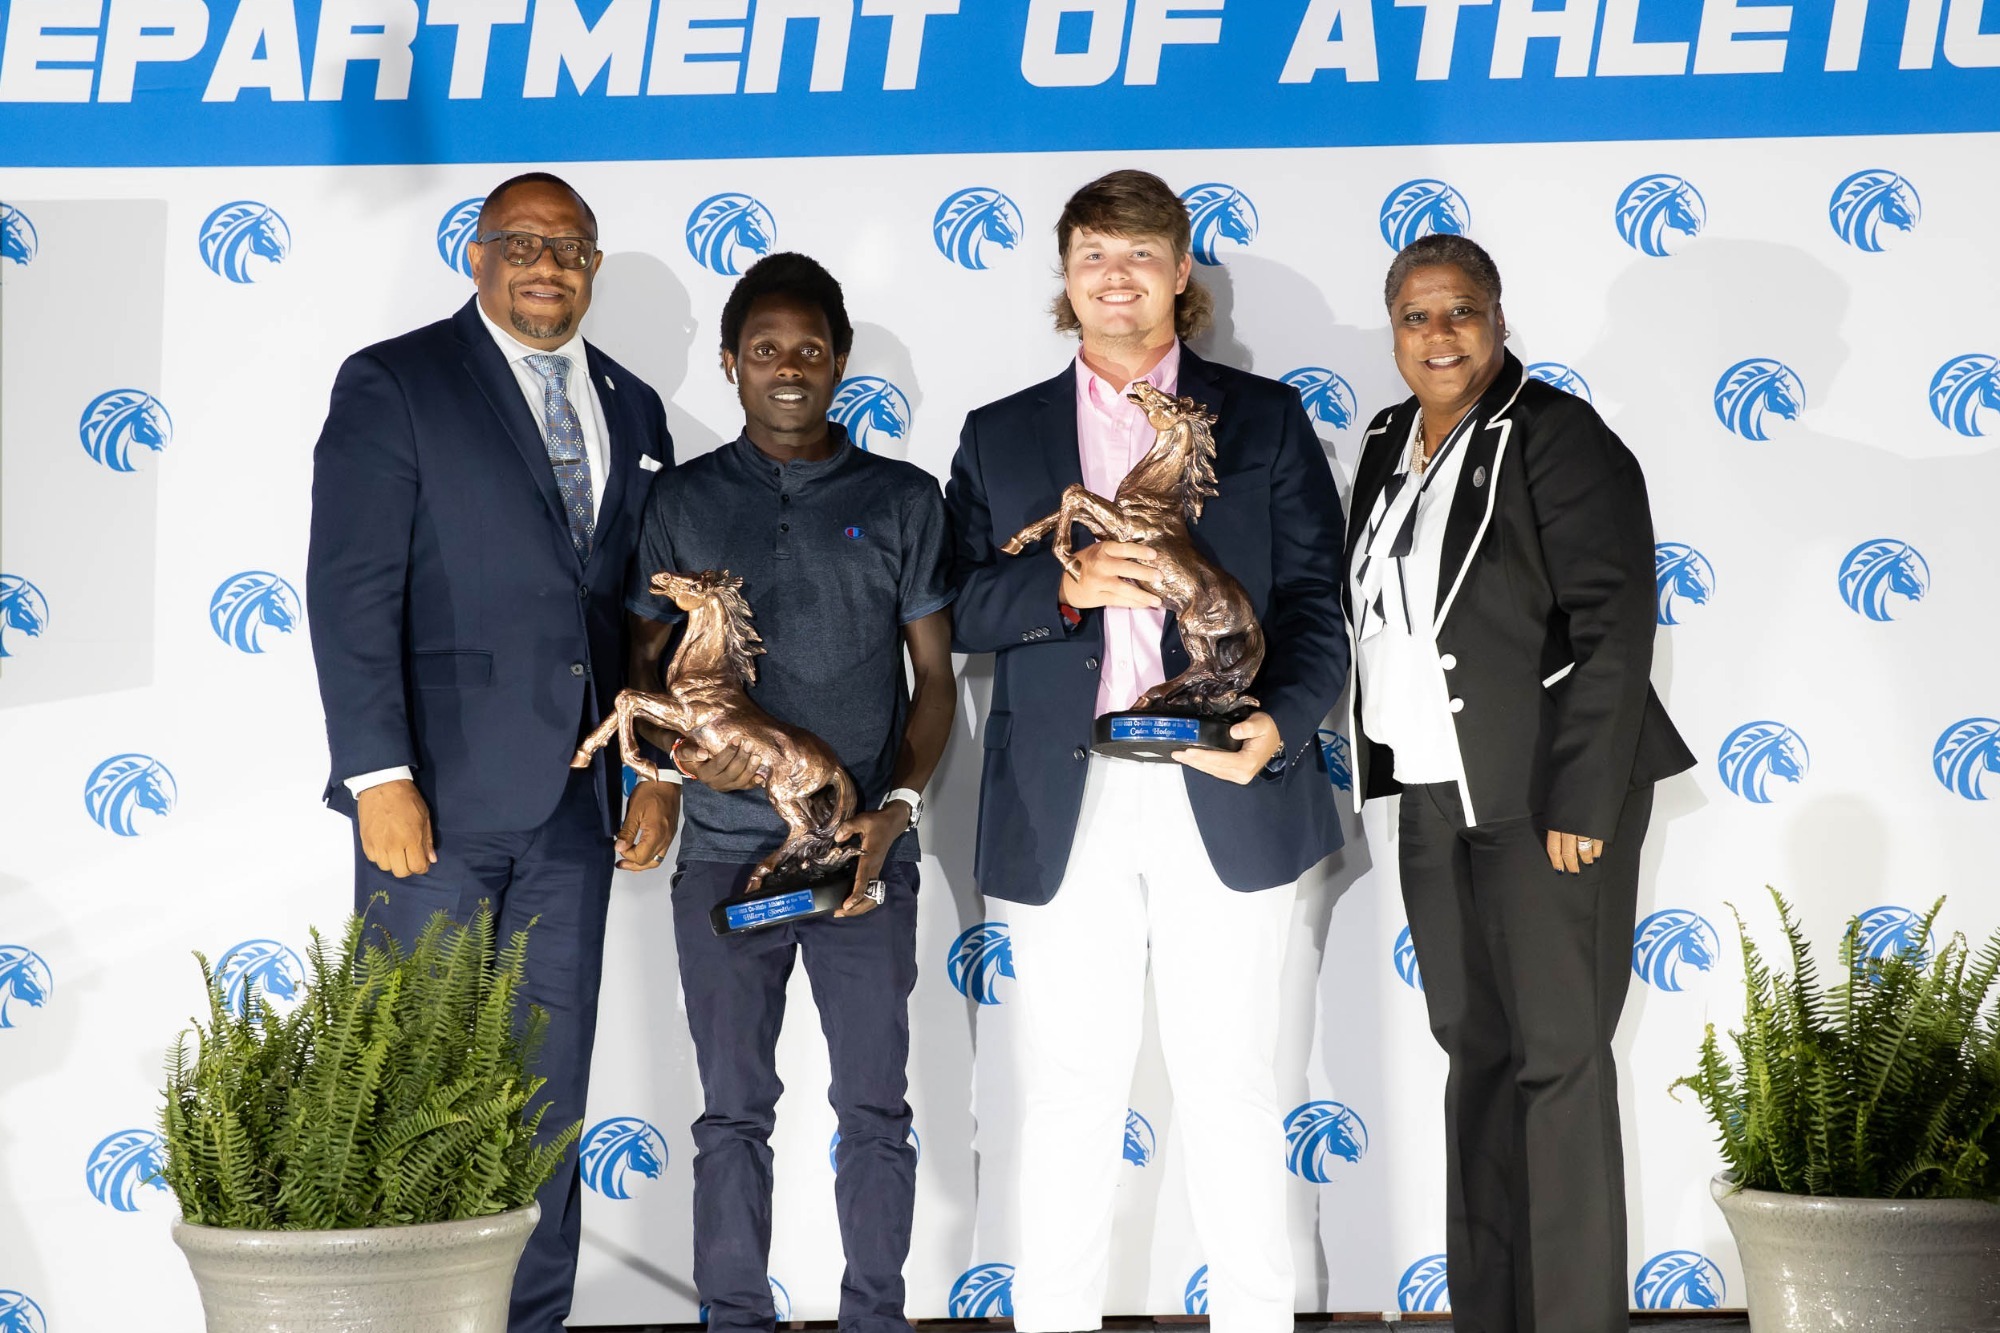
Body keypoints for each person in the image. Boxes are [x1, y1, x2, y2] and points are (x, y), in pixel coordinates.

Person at [944, 169, 1347, 1333]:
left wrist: (1283, 722)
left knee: (1235, 1085)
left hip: (1223, 782)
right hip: (1062, 802)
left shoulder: (1263, 420)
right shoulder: (1000, 433)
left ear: (1179, 274)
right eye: (1091, 255)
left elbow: (1316, 603)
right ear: (1064, 278)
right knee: (1064, 1095)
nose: (1113, 277)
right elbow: (956, 604)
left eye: (1137, 254)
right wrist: (1061, 588)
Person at [305, 172, 674, 1333]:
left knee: (545, 1102)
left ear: (592, 267)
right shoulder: (396, 382)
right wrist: (378, 775)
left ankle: (530, 1322)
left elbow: (646, 612)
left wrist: (655, 766)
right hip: (437, 802)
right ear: (475, 254)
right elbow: (350, 589)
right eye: (521, 243)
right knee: (412, 1083)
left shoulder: (633, 404)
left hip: (576, 807)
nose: (545, 265)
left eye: (568, 247)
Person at [1343, 233, 1696, 1331]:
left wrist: (1580, 803)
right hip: (1432, 793)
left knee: (1558, 1064)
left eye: (1459, 311)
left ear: (1497, 319)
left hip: (1545, 797)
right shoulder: (1386, 438)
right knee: (1477, 1058)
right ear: (1393, 333)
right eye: (1415, 316)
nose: (1438, 334)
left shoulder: (1556, 434)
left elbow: (1612, 624)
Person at [616, 252, 955, 1333]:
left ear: (840, 360)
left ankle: (874, 1318)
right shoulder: (678, 501)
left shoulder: (903, 500)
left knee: (874, 1109)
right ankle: (733, 1316)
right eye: (765, 349)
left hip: (860, 856)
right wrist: (671, 773)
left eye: (810, 348)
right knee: (731, 1113)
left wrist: (894, 811)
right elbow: (643, 667)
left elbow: (936, 682)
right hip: (723, 855)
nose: (790, 368)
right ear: (730, 362)